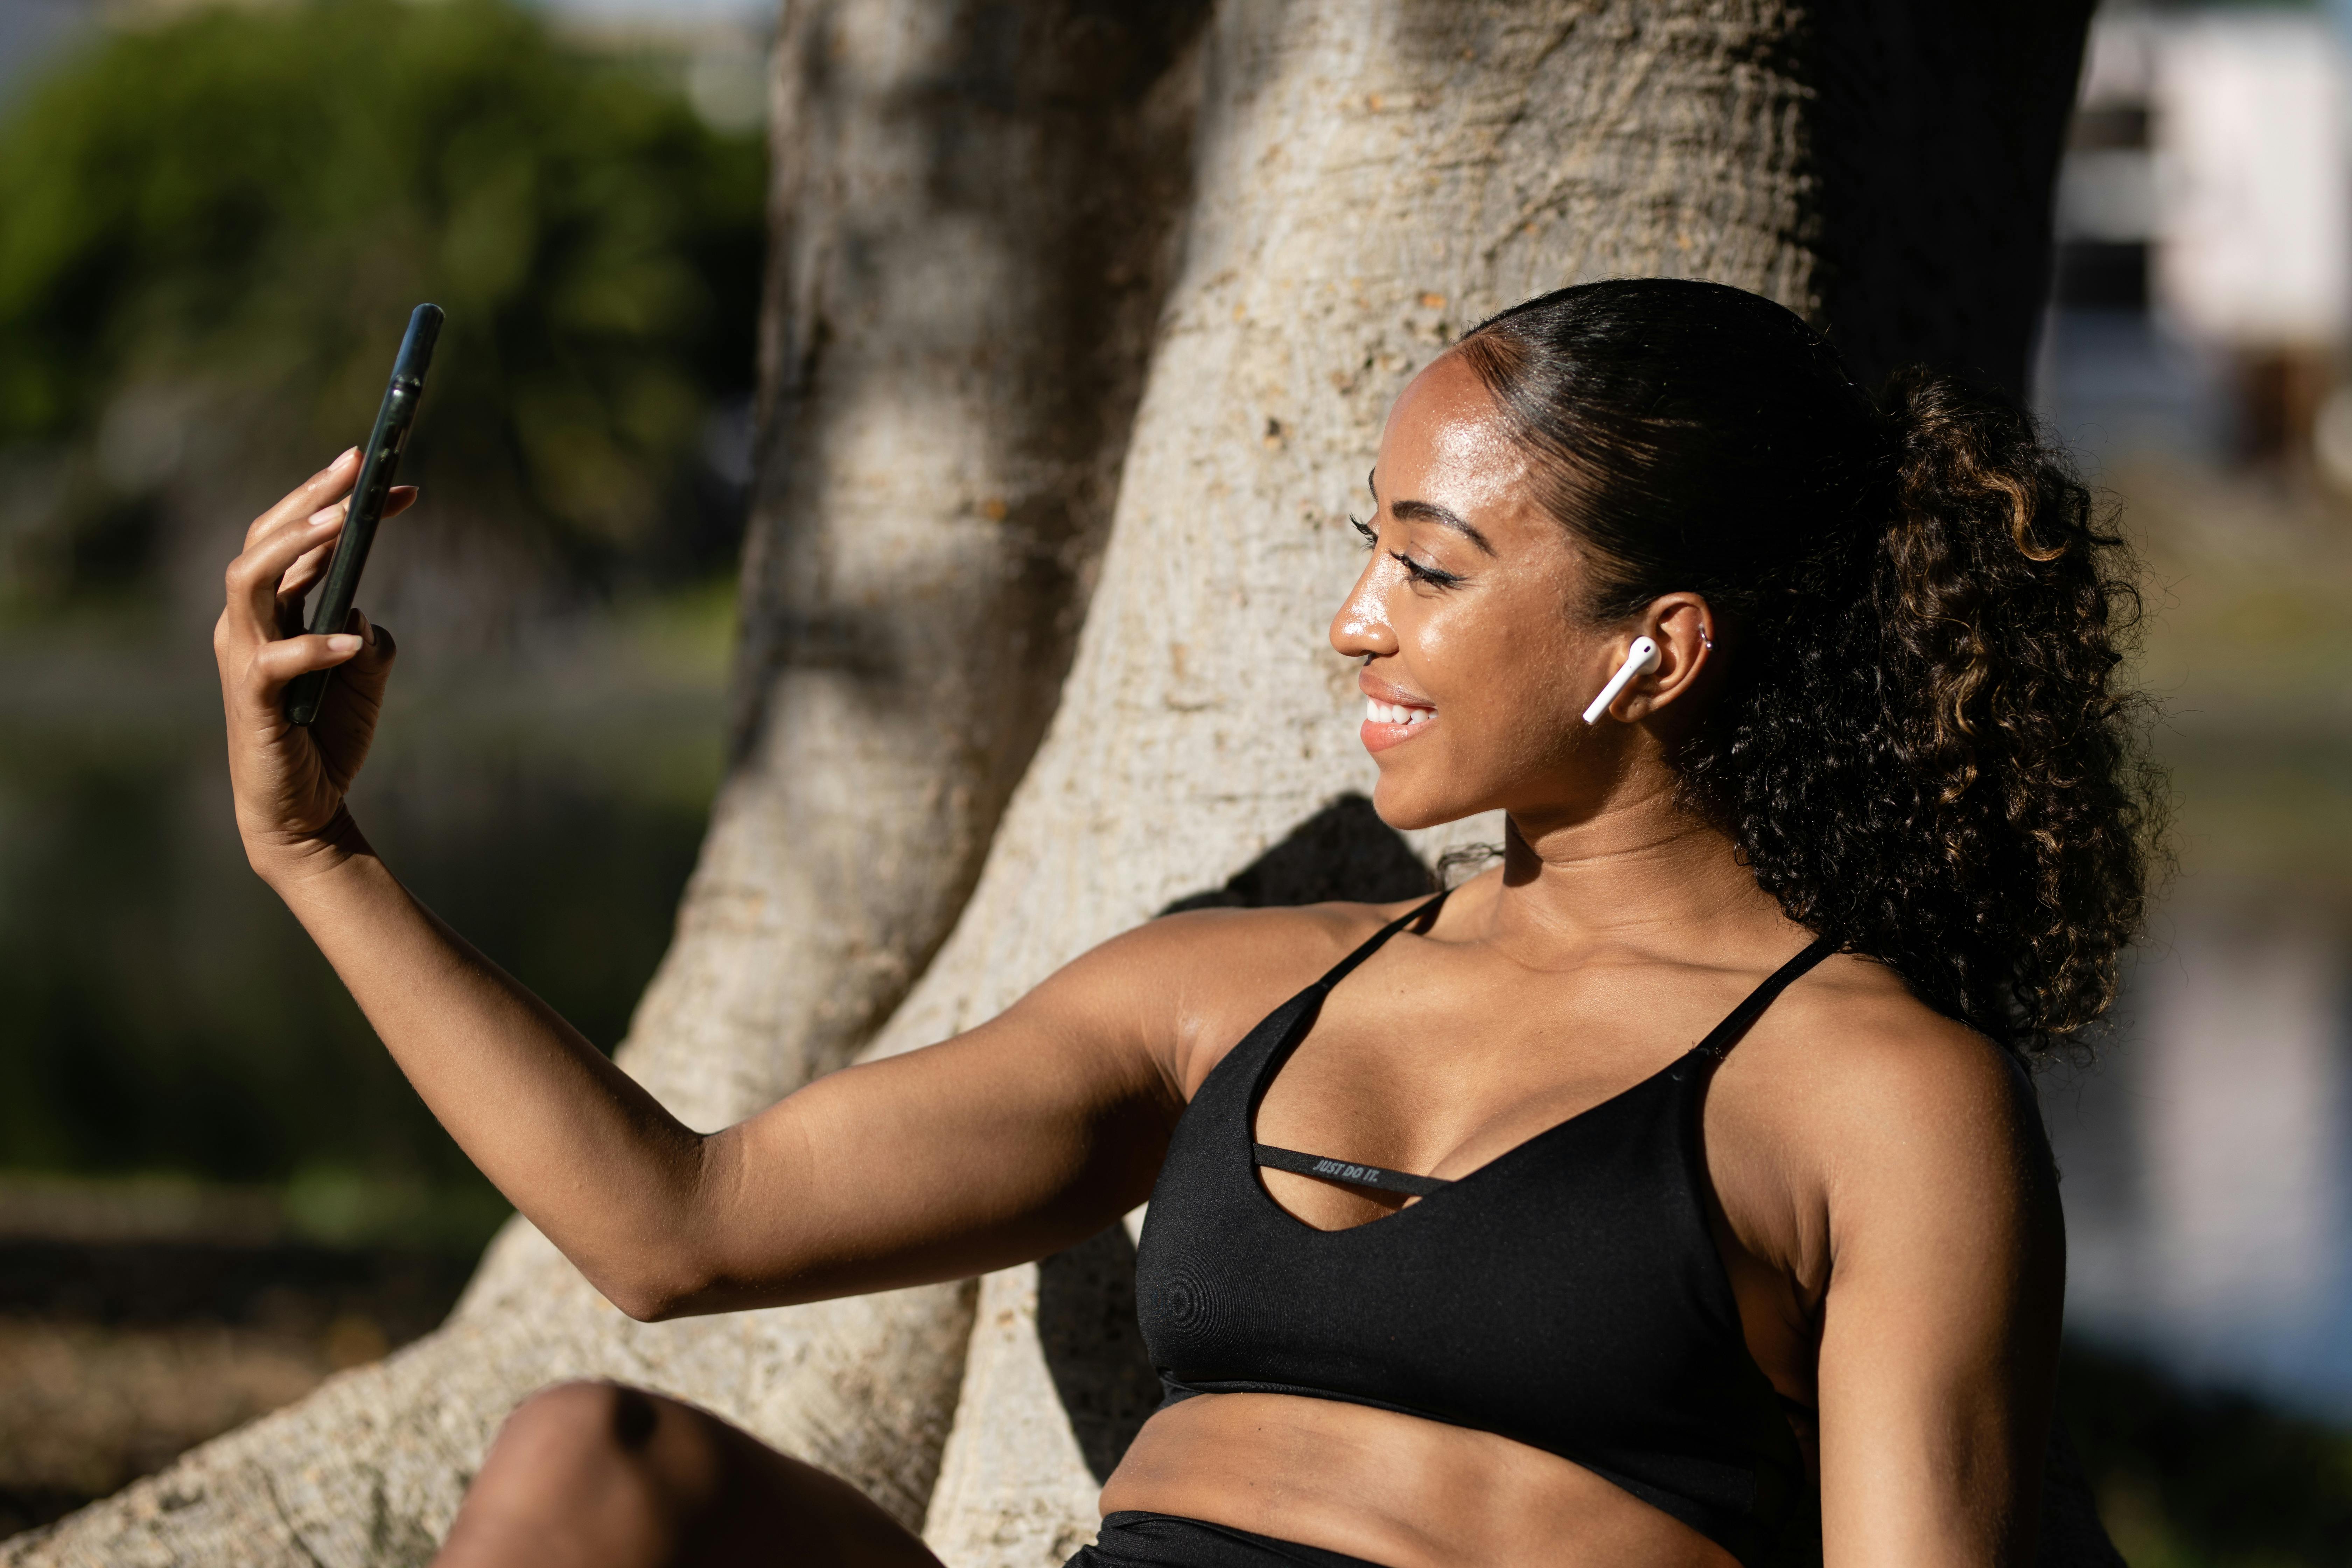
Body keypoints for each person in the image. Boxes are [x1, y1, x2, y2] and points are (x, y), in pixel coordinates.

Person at [212, 279, 2154, 1568]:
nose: (1359, 622)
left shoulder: (1875, 1094)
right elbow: (675, 1227)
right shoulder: (1234, 991)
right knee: (585, 1469)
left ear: (1656, 651)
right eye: (1368, 549)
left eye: (1432, 564)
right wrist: (322, 854)